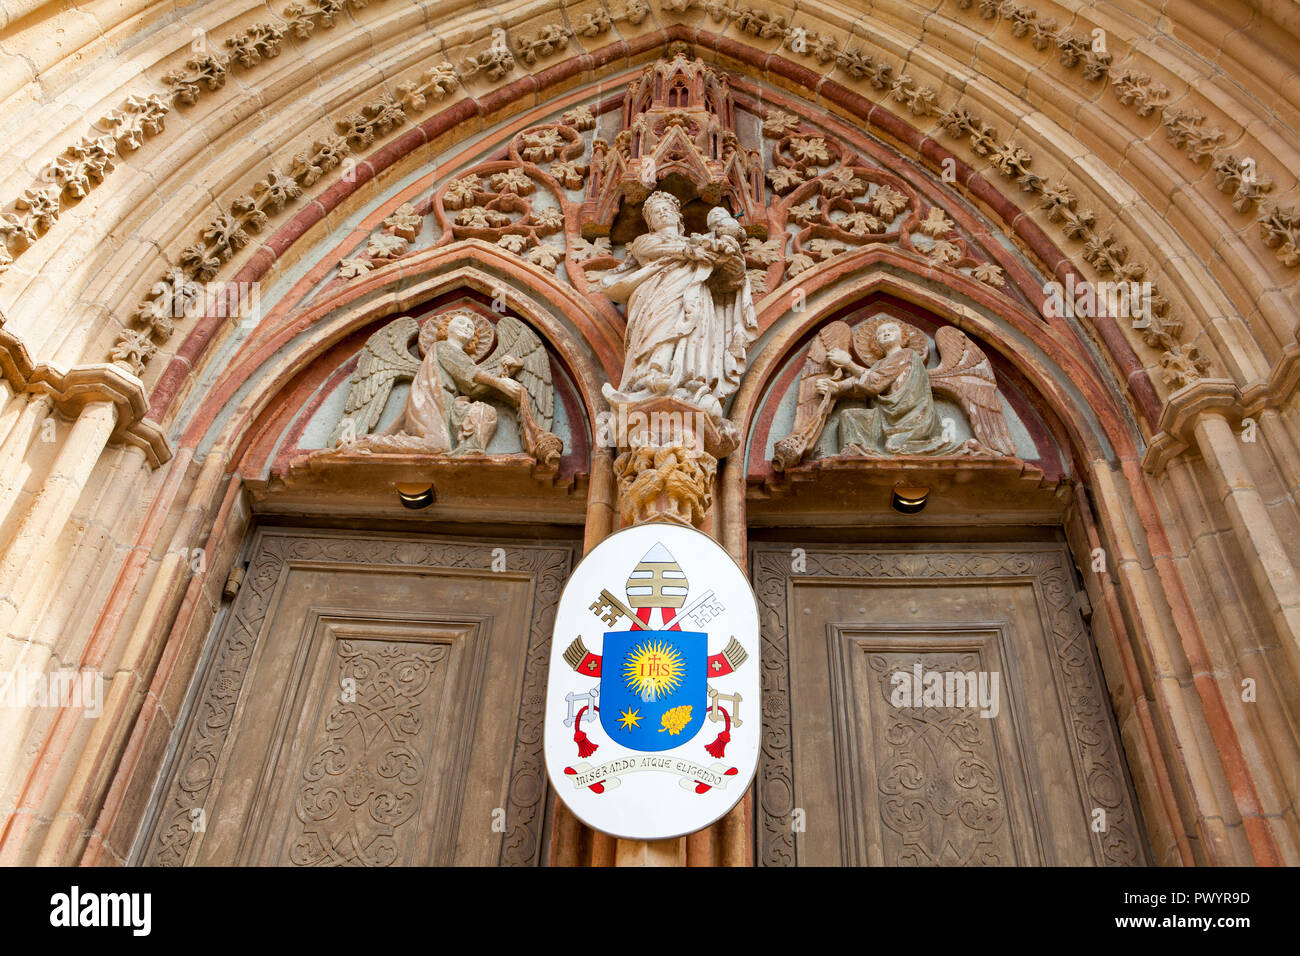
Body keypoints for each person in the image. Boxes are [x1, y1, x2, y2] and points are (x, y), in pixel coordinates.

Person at [600, 191, 755, 420]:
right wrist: (689, 251)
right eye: (655, 212)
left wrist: (726, 252)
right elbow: (649, 250)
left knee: (694, 333)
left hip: (695, 294)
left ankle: (691, 382)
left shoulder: (701, 242)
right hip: (659, 292)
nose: (662, 213)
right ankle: (652, 375)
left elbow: (730, 279)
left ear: (678, 218)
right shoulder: (647, 242)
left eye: (667, 209)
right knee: (661, 330)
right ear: (650, 224)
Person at [818, 320, 969, 456]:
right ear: (875, 342)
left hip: (912, 417)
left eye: (892, 330)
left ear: (903, 337)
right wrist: (836, 386)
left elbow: (876, 382)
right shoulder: (879, 365)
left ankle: (943, 445)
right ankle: (855, 451)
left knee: (894, 447)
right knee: (849, 416)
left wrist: (848, 363)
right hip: (885, 416)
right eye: (881, 333)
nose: (886, 333)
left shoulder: (907, 355)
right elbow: (859, 379)